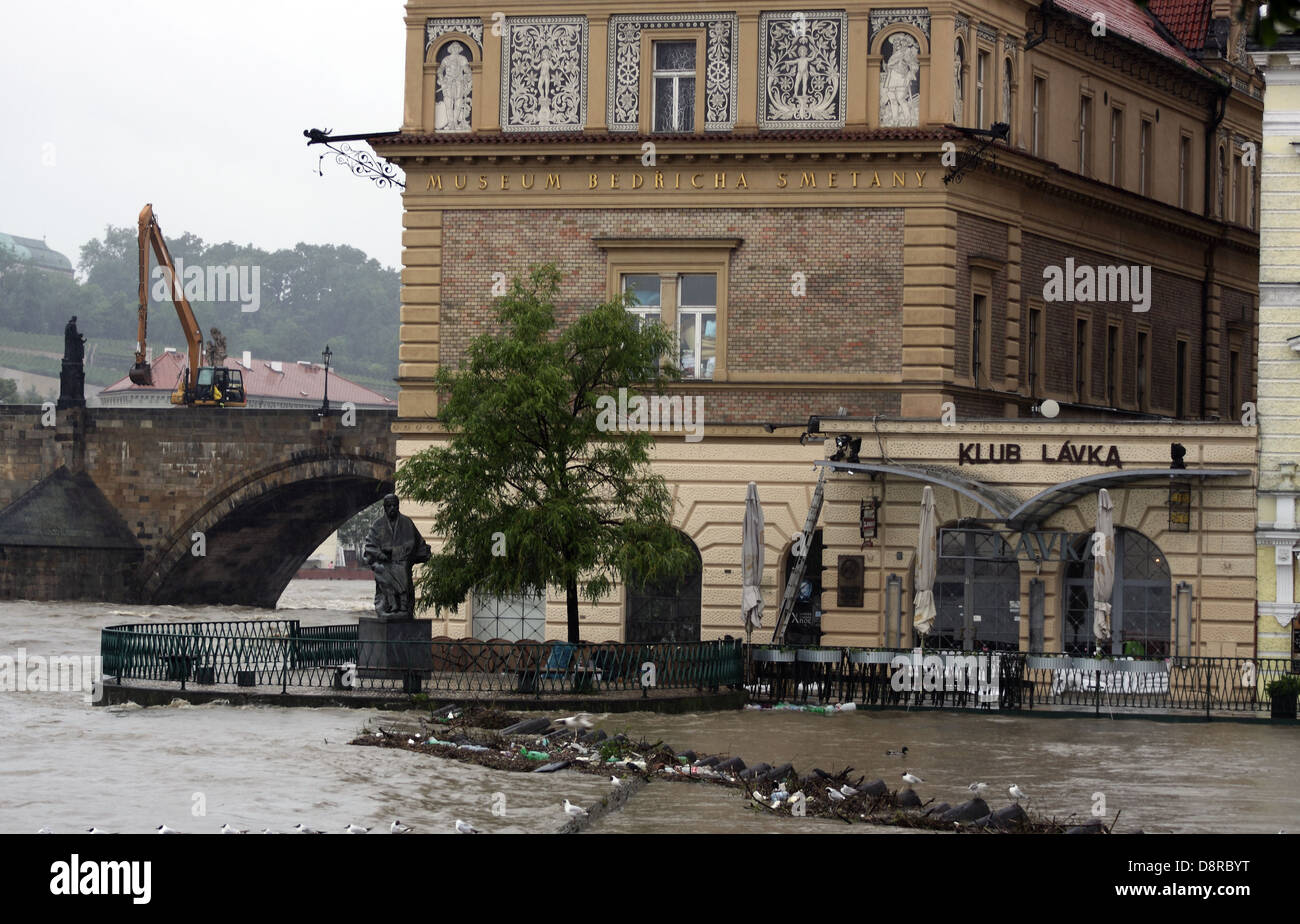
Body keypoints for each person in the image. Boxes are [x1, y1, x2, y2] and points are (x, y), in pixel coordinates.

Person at [361, 495, 432, 620]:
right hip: (384, 563)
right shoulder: (378, 525)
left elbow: (412, 543)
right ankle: (391, 605)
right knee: (381, 571)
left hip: (402, 561)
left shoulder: (406, 522)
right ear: (384, 507)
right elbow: (370, 546)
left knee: (402, 569)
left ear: (398, 506)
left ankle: (403, 606)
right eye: (389, 506)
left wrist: (394, 551)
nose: (392, 508)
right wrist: (380, 554)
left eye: (395, 505)